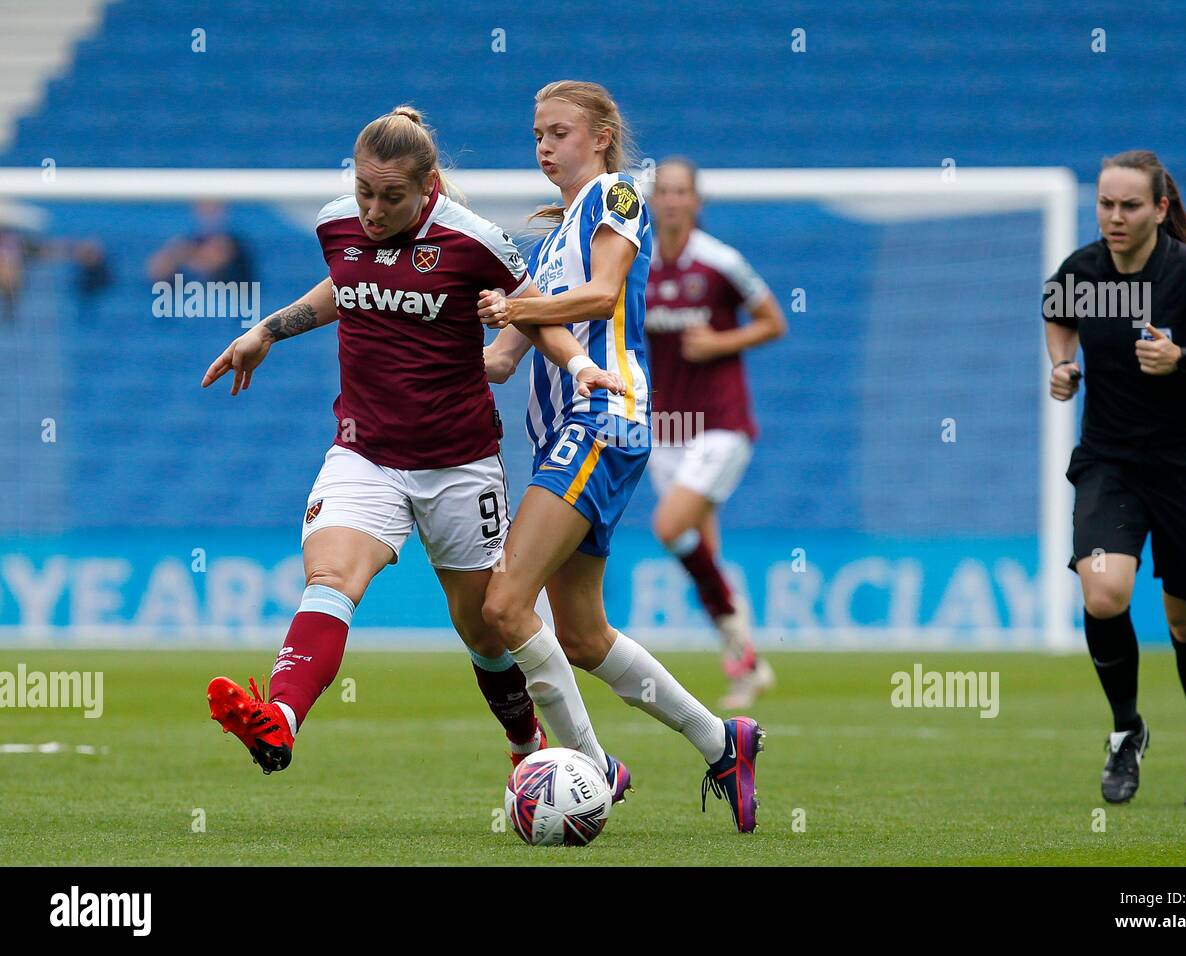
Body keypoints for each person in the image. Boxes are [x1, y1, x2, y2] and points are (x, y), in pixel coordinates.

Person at [200, 106, 624, 776]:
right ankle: (278, 721)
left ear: (427, 188)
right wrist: (268, 331)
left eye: (391, 197)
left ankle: (527, 749)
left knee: (484, 629)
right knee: (331, 577)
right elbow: (348, 284)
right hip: (363, 451)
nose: (371, 210)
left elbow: (533, 311)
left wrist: (579, 366)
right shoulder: (334, 223)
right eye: (364, 191)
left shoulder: (475, 240)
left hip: (459, 463)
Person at [480, 81, 764, 832]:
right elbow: (502, 360)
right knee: (579, 634)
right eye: (536, 133)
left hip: (604, 414)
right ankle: (723, 740)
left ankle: (593, 771)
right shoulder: (547, 241)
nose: (544, 145)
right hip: (569, 429)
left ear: (601, 136)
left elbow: (603, 293)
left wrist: (516, 305)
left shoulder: (618, 197)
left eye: (560, 131)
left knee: (507, 603)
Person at [1043, 149, 1186, 806]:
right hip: (1109, 461)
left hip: (1185, 467)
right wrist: (1064, 365)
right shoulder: (1081, 270)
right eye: (1106, 205)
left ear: (1160, 209)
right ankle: (1125, 732)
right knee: (1104, 594)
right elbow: (1059, 319)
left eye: (1130, 206)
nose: (1115, 217)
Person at [644, 156, 787, 709]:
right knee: (700, 548)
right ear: (654, 202)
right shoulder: (641, 267)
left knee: (668, 526)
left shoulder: (720, 262)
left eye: (683, 192)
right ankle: (745, 659)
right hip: (667, 430)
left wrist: (719, 344)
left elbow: (775, 321)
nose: (673, 200)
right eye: (665, 191)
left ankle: (741, 648)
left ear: (697, 202)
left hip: (720, 426)